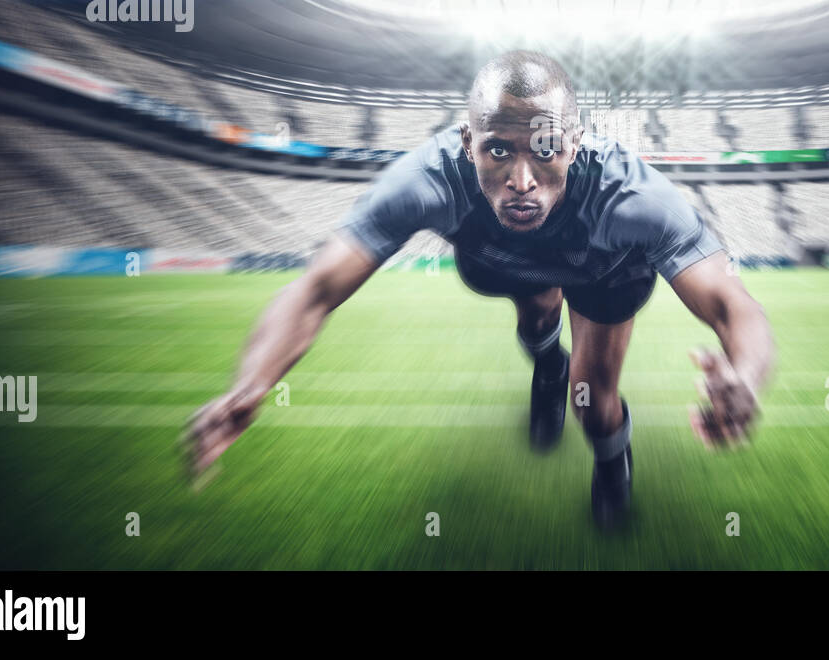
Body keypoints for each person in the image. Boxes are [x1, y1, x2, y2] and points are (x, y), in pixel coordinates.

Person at [187, 50, 775, 529]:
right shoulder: (426, 181)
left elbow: (729, 301)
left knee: (590, 399)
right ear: (468, 142)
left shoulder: (632, 198)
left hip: (602, 272)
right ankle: (546, 364)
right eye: (499, 150)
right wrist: (252, 385)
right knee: (537, 317)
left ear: (574, 142)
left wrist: (745, 377)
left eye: (545, 150)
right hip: (501, 260)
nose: (522, 180)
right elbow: (317, 290)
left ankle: (611, 459)